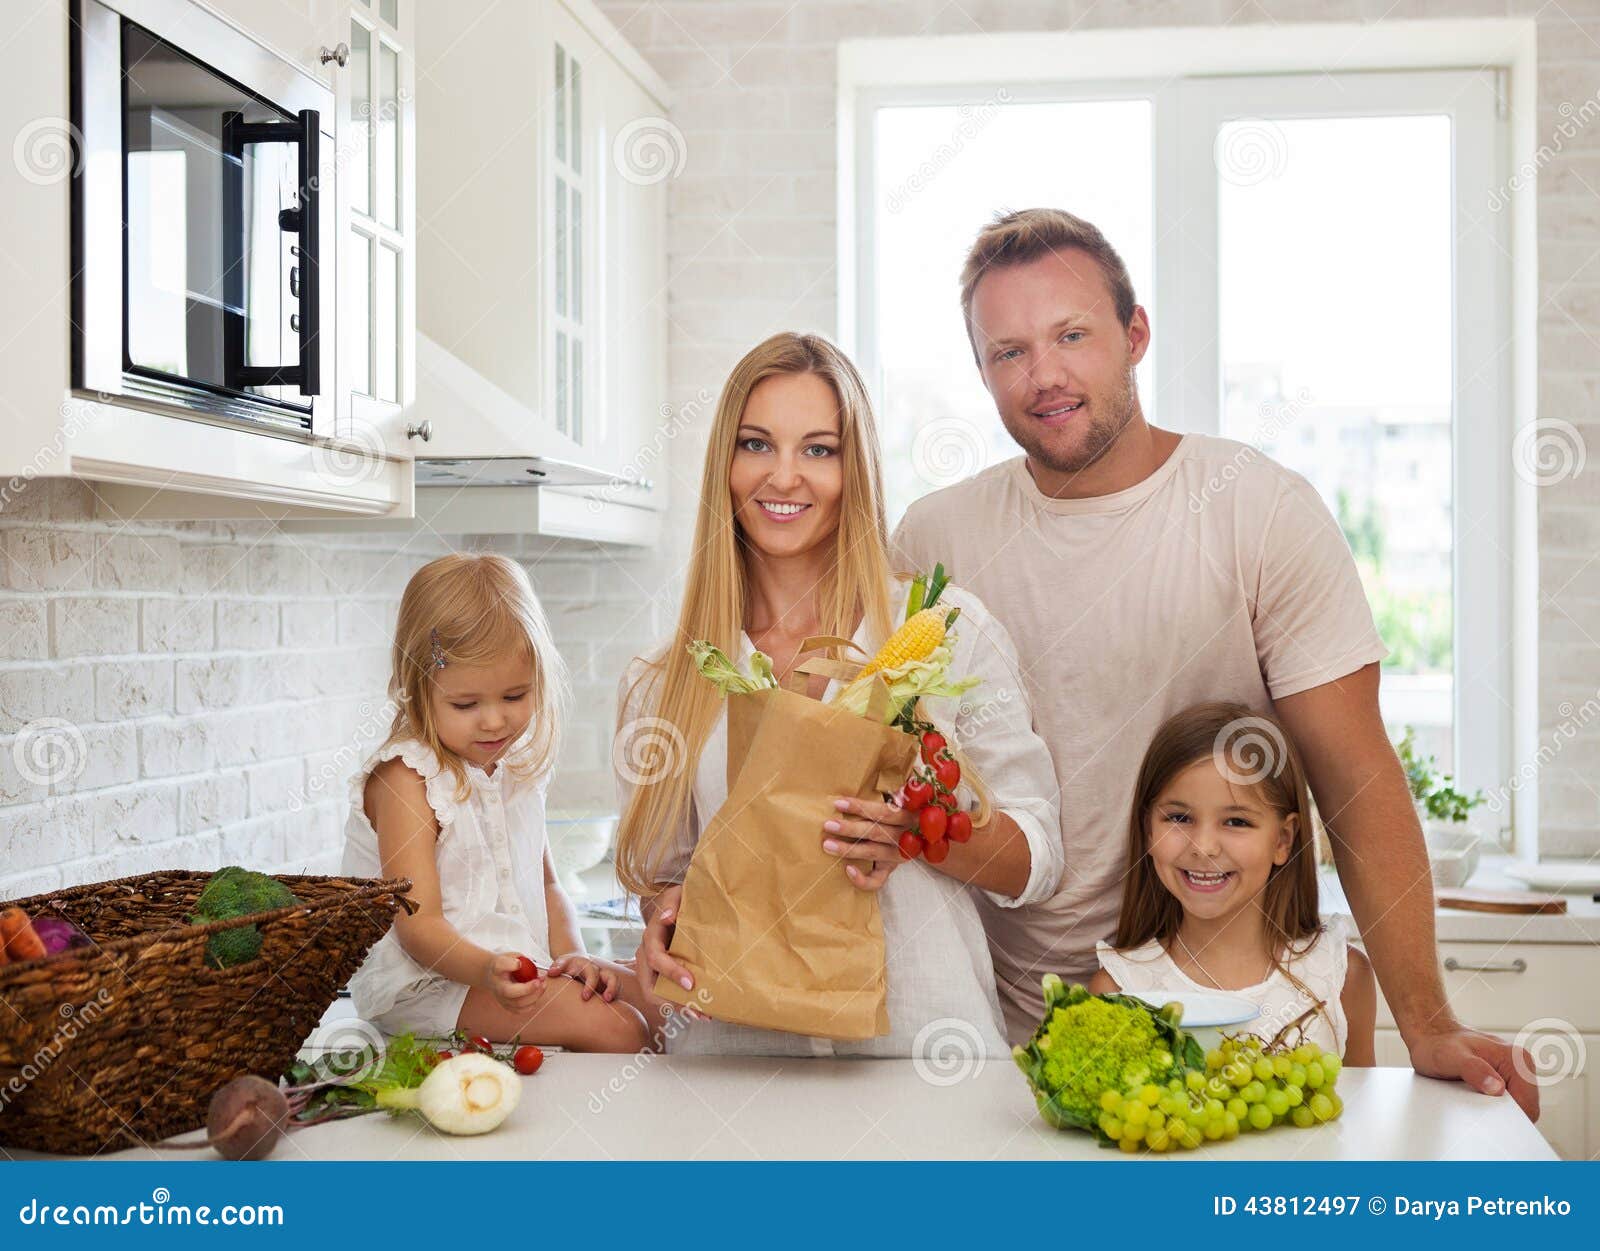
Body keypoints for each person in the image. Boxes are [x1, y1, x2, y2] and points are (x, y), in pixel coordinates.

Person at [892, 206, 1536, 1115]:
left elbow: (1352, 775)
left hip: (1221, 1028)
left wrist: (1426, 1019)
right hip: (980, 1028)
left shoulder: (1258, 513)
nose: (1044, 375)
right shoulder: (934, 536)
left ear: (1136, 334)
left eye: (1072, 334)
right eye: (1008, 352)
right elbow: (885, 759)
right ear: (981, 371)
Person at [617, 331, 1062, 1056]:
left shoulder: (947, 631)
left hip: (923, 1066)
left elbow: (1038, 857)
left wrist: (920, 837)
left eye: (819, 449)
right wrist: (661, 917)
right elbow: (668, 877)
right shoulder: (663, 682)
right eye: (756, 444)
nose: (784, 477)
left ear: (855, 470)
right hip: (734, 1069)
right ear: (724, 465)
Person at [342, 553, 654, 1052]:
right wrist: (487, 970)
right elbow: (417, 928)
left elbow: (549, 883)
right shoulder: (407, 778)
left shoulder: (516, 766)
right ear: (417, 688)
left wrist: (575, 957)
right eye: (466, 705)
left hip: (517, 966)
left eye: (515, 696)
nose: (494, 722)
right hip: (431, 985)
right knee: (619, 1028)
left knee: (668, 1006)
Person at [1090, 702, 1376, 1064]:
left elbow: (1364, 1116)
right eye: (1179, 818)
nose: (1204, 847)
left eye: (1236, 822)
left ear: (1282, 841)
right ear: (1148, 830)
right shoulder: (1118, 989)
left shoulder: (1342, 977)